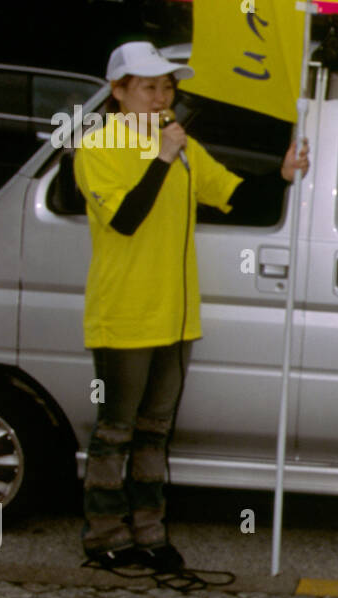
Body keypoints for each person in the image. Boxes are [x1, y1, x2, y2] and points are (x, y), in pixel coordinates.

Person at [73, 40, 309, 571]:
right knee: (116, 429)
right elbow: (126, 219)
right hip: (125, 315)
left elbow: (231, 192)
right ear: (119, 91)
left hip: (176, 316)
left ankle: (150, 531)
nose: (163, 97)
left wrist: (283, 173)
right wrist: (161, 158)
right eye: (150, 87)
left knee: (156, 430)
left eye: (168, 86)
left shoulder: (180, 145)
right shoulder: (98, 145)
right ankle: (105, 534)